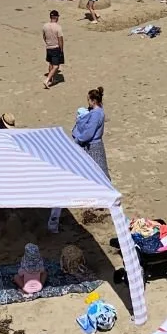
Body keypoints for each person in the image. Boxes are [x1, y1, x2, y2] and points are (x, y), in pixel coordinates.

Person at [49, 88, 108, 232]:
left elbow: (88, 133)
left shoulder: (95, 115)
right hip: (95, 145)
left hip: (90, 147)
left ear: (93, 100)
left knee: (91, 172)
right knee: (99, 172)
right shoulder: (99, 112)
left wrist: (77, 140)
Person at [42, 10, 65, 89]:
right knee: (56, 66)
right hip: (55, 48)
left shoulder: (45, 26)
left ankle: (52, 79)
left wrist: (47, 43)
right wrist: (61, 49)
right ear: (56, 17)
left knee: (50, 63)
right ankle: (47, 80)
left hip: (48, 47)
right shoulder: (58, 27)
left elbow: (44, 37)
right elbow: (60, 40)